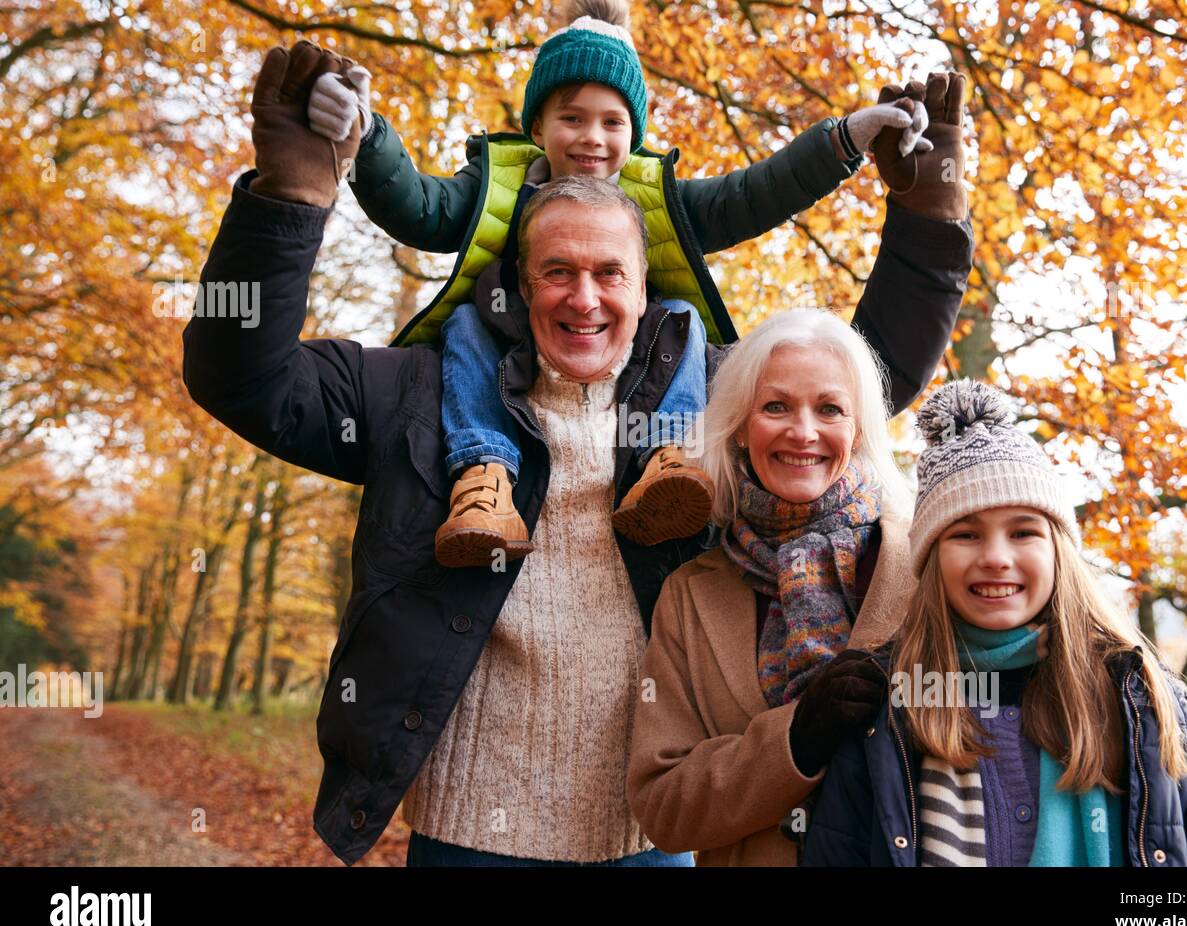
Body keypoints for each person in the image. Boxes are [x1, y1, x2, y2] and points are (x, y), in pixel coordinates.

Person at [181, 39, 974, 865]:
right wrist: (291, 198)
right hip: (464, 831)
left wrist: (929, 220)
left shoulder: (713, 403)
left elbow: (862, 379)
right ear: (521, 284)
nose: (584, 297)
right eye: (556, 270)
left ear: (646, 286)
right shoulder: (417, 394)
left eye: (609, 273)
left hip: (656, 830)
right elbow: (244, 380)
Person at [305, 0, 939, 566]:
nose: (592, 138)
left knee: (682, 321)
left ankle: (669, 461)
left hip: (638, 358)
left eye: (612, 122)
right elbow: (417, 206)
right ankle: (484, 472)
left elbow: (754, 193)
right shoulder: (496, 186)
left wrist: (844, 140)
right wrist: (366, 135)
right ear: (536, 128)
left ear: (635, 131)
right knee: (465, 327)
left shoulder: (657, 198)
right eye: (571, 118)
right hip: (507, 334)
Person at [800, 380, 1187, 866]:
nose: (996, 558)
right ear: (931, 558)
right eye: (966, 534)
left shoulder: (1132, 694)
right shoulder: (890, 704)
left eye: (1023, 532)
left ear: (1058, 551)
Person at [626, 309, 920, 865]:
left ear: (857, 430)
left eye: (830, 409)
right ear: (740, 425)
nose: (803, 432)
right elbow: (663, 807)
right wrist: (795, 741)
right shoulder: (691, 595)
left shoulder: (921, 563)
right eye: (776, 407)